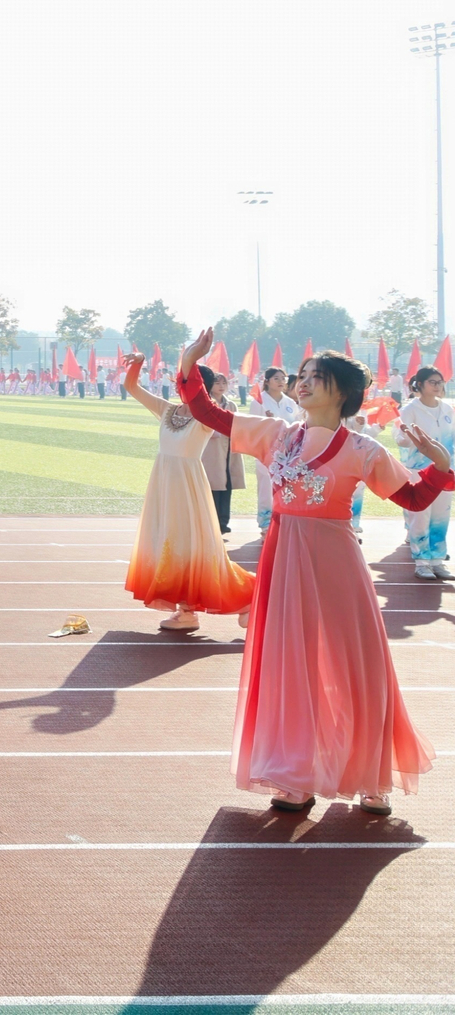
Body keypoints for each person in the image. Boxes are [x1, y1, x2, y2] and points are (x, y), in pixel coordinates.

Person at [176, 329, 443, 814]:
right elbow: (208, 413)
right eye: (302, 375)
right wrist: (189, 363)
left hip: (337, 563)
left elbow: (411, 497)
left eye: (316, 377)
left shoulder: (363, 449)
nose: (303, 382)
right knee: (289, 665)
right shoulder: (275, 434)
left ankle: (371, 774)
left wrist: (442, 468)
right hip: (283, 560)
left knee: (355, 664)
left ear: (343, 392)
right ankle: (294, 773)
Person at [118, 353, 256, 631]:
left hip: (188, 487)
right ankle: (189, 610)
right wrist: (139, 362)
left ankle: (239, 600)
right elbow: (131, 387)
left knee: (191, 547)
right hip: (163, 484)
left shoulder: (207, 416)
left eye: (185, 381)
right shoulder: (167, 409)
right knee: (168, 543)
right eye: (179, 381)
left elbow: (241, 430)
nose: (179, 385)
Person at [398, 365, 453, 577]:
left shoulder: (447, 409)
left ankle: (437, 560)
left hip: (444, 470)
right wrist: (407, 436)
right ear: (419, 384)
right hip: (419, 470)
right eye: (433, 382)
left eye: (440, 382)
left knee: (441, 516)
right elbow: (400, 439)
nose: (438, 386)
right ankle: (422, 562)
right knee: (420, 516)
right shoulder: (410, 410)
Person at [247, 367, 301, 529]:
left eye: (283, 379)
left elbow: (298, 425)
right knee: (266, 487)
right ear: (267, 381)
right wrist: (267, 422)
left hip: (287, 453)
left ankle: (283, 523)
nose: (281, 382)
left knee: (286, 487)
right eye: (276, 378)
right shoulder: (259, 402)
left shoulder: (290, 403)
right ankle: (265, 524)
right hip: (265, 451)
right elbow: (252, 427)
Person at [200, 372, 246, 537]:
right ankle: (213, 522)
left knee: (227, 485)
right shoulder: (206, 403)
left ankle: (223, 521)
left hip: (229, 448)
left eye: (224, 383)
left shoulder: (231, 405)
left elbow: (238, 423)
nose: (221, 386)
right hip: (212, 449)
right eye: (217, 383)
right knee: (214, 485)